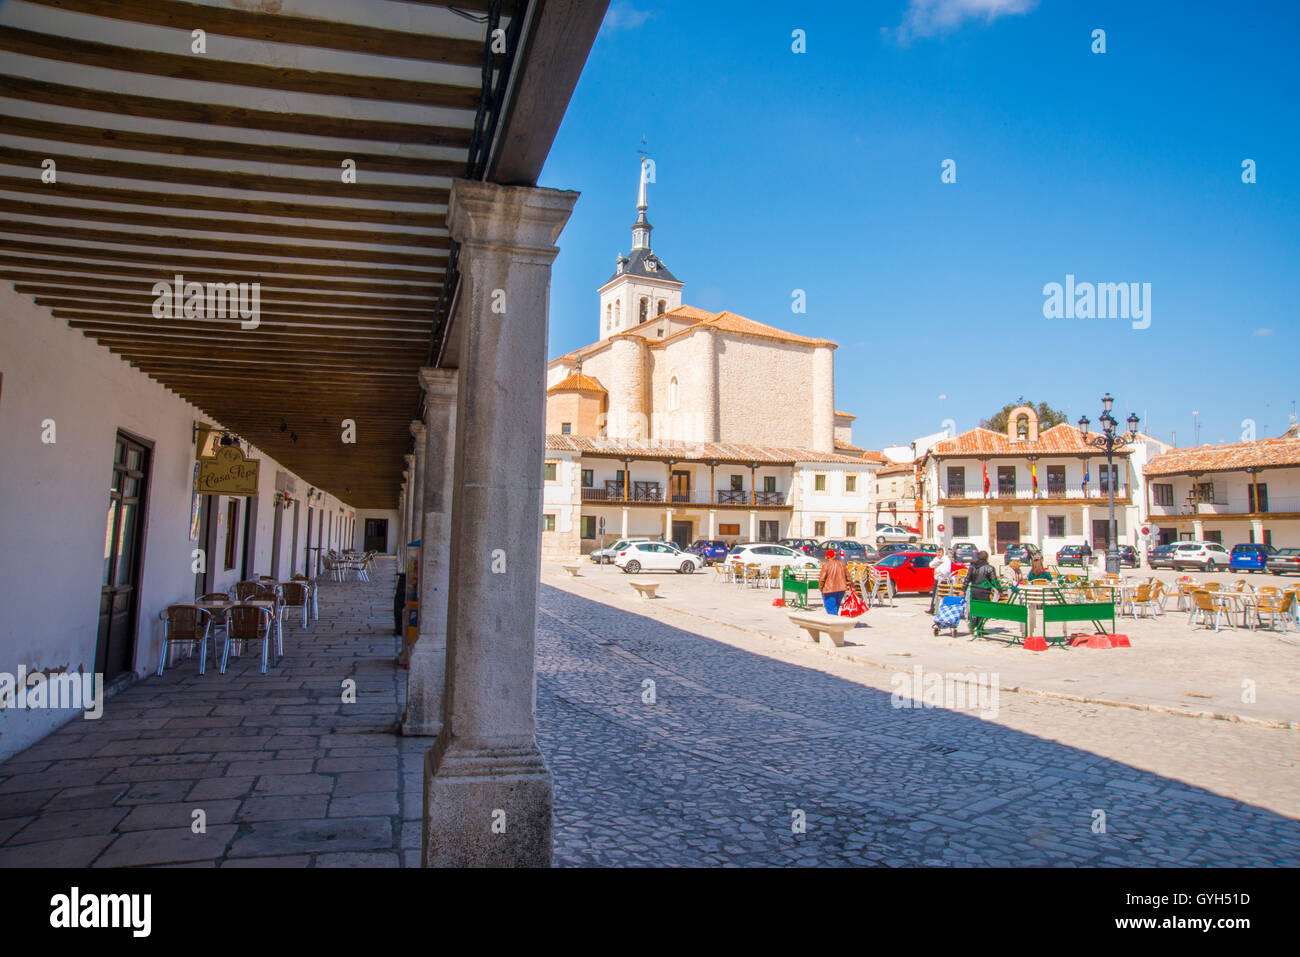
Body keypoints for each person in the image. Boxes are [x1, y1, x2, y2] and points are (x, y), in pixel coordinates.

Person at [966, 550, 999, 633]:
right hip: (984, 591)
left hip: (973, 590)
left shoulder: (972, 567)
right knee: (984, 609)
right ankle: (980, 627)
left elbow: (967, 579)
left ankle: (973, 624)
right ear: (986, 558)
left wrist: (963, 589)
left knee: (975, 608)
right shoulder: (989, 568)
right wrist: (1000, 590)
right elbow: (994, 581)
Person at [819, 548, 848, 615]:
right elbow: (848, 577)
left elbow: (822, 579)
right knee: (836, 607)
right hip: (841, 589)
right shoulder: (842, 564)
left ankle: (834, 623)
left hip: (829, 590)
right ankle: (835, 621)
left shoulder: (826, 565)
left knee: (831, 610)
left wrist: (821, 588)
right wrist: (850, 585)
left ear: (828, 556)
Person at [928, 546, 952, 614]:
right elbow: (931, 565)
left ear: (942, 553)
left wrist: (940, 571)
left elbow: (947, 570)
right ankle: (932, 609)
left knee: (943, 595)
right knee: (934, 594)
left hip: (944, 580)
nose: (938, 554)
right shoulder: (936, 559)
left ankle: (942, 610)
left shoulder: (946, 559)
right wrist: (938, 563)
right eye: (937, 552)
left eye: (940, 552)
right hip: (937, 580)